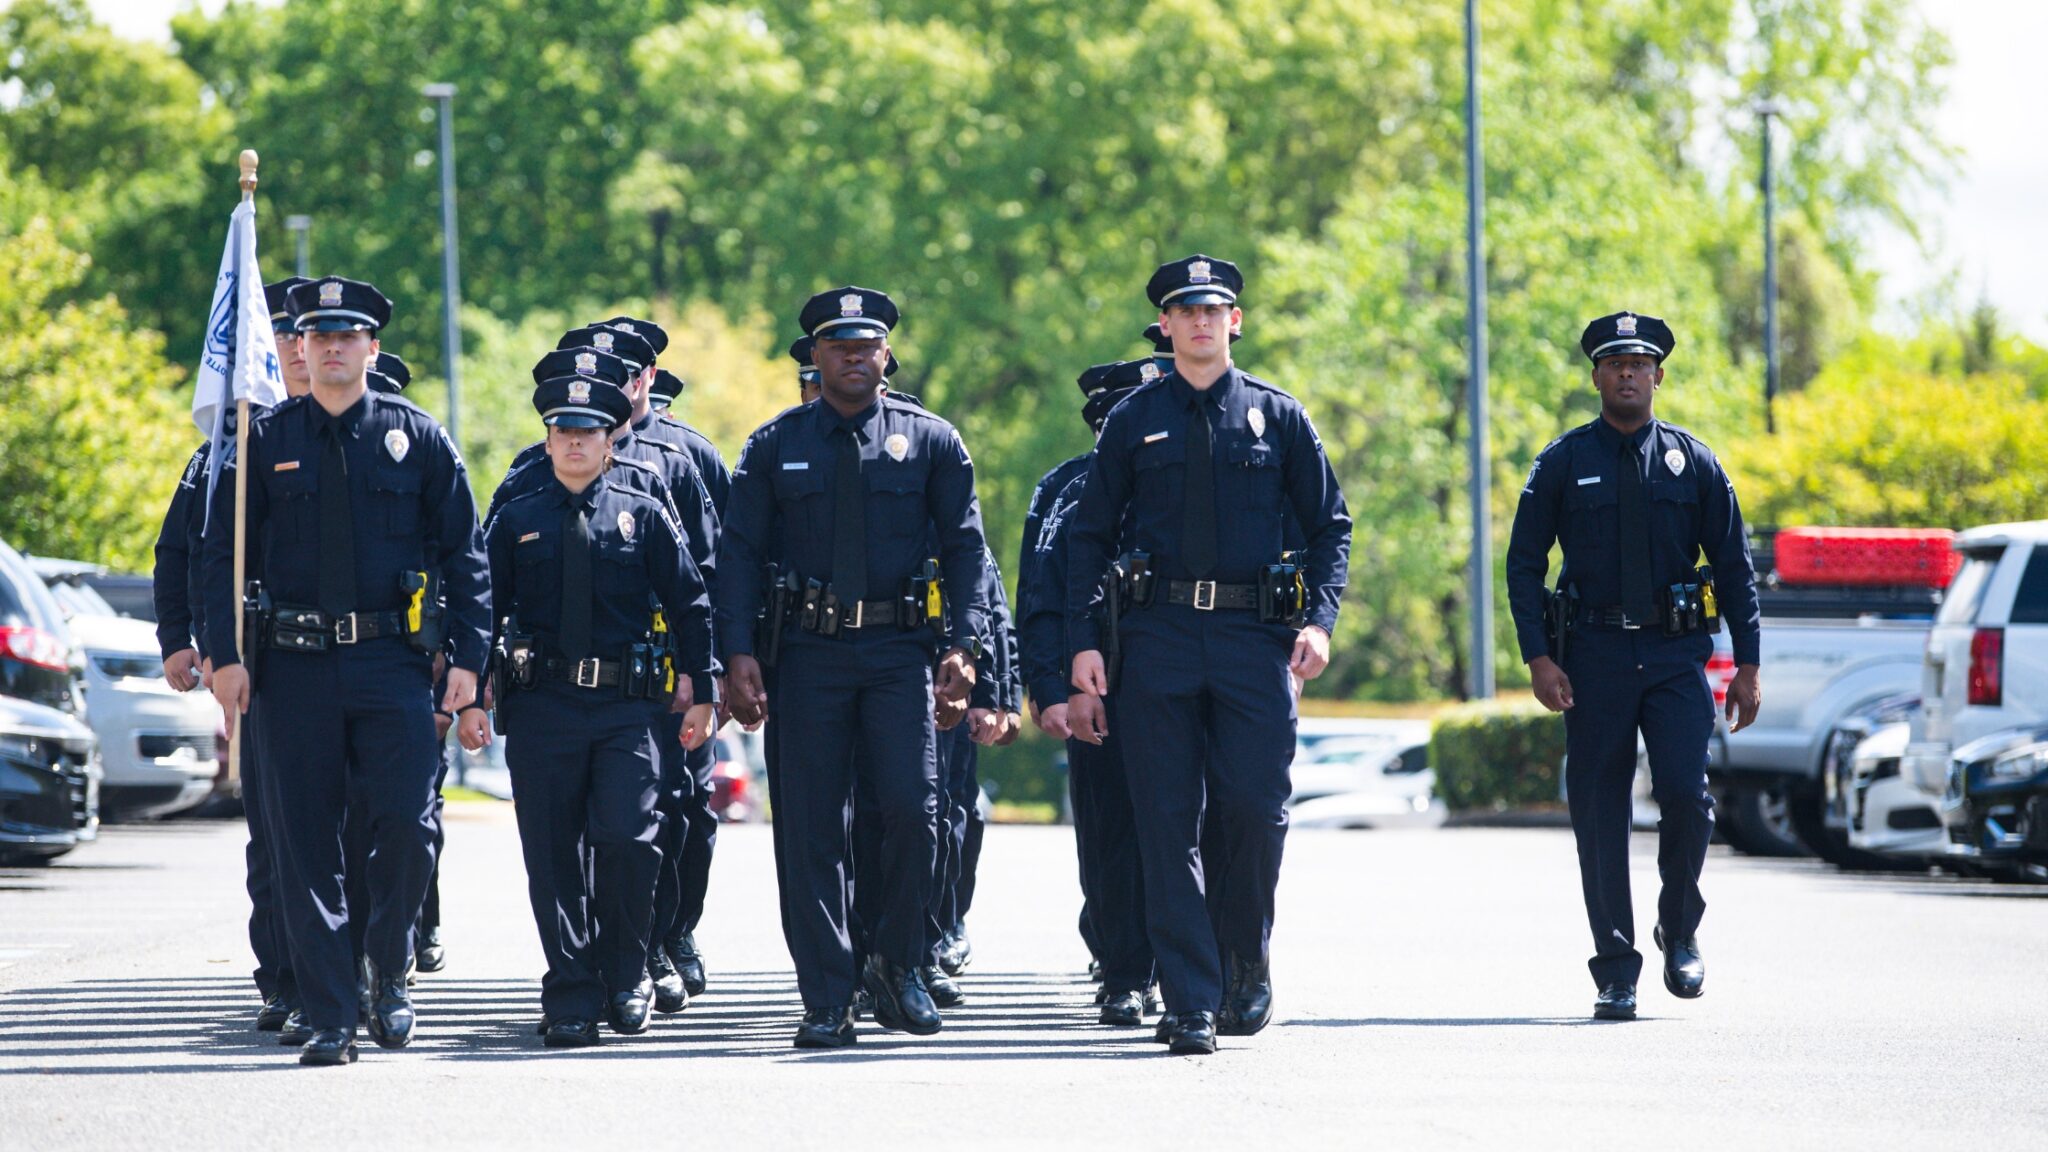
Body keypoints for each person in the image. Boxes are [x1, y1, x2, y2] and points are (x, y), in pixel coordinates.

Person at [1064, 255, 1351, 1055]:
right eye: (1183, 310)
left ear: (1236, 321)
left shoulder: (1278, 417)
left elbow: (1331, 527)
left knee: (1254, 813)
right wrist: (1085, 643)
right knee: (1165, 824)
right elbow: (1087, 539)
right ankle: (1190, 998)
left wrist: (1319, 623)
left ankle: (1242, 958)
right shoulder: (1133, 421)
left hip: (1253, 644)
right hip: (1155, 641)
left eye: (1213, 308)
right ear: (1165, 324)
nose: (1198, 321)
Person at [203, 276, 490, 1067]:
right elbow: (218, 556)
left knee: (403, 825)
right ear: (300, 347)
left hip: (389, 666)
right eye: (318, 336)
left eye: (347, 335)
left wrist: (468, 657)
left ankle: (388, 968)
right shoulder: (265, 441)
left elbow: (465, 554)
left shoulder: (416, 437)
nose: (331, 347)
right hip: (291, 670)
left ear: (371, 347)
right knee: (304, 844)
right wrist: (224, 656)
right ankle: (331, 1013)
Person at [717, 286, 990, 1049]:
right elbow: (738, 554)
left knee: (911, 810)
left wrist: (964, 647)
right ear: (816, 357)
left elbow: (967, 548)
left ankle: (900, 966)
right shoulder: (774, 446)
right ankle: (826, 994)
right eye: (837, 346)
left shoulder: (930, 440)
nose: (852, 358)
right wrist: (737, 653)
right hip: (805, 657)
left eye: (865, 346)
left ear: (885, 356)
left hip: (900, 655)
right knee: (809, 829)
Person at [1504, 310, 1763, 1022]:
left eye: (1639, 363)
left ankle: (1678, 929)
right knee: (1599, 815)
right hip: (1591, 659)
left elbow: (1736, 570)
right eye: (1614, 363)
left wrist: (1748, 665)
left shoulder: (1694, 462)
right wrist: (1538, 657)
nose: (1627, 373)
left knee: (1686, 796)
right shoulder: (1562, 462)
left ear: (1658, 376)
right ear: (1595, 376)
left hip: (1677, 657)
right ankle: (1615, 967)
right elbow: (1524, 565)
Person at [459, 347, 718, 1047]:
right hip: (543, 707)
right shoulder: (517, 515)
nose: (573, 442)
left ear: (610, 441)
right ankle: (570, 991)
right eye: (561, 431)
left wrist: (704, 691)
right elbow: (484, 608)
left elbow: (692, 602)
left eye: (587, 432)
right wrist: (474, 694)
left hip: (627, 709)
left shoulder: (642, 510)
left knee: (630, 841)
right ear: (547, 439)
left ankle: (625, 970)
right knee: (552, 855)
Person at [155, 275, 310, 1036]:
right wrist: (184, 639)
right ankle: (281, 977)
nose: (296, 354)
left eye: (307, 339)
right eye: (282, 340)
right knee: (275, 832)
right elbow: (181, 550)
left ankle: (346, 968)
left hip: (343, 660)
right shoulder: (222, 453)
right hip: (259, 659)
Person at [1020, 358, 1159, 1026]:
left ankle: (1183, 964)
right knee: (1109, 831)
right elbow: (1042, 599)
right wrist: (1047, 688)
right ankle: (1124, 967)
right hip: (1098, 681)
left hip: (1177, 673)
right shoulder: (1070, 490)